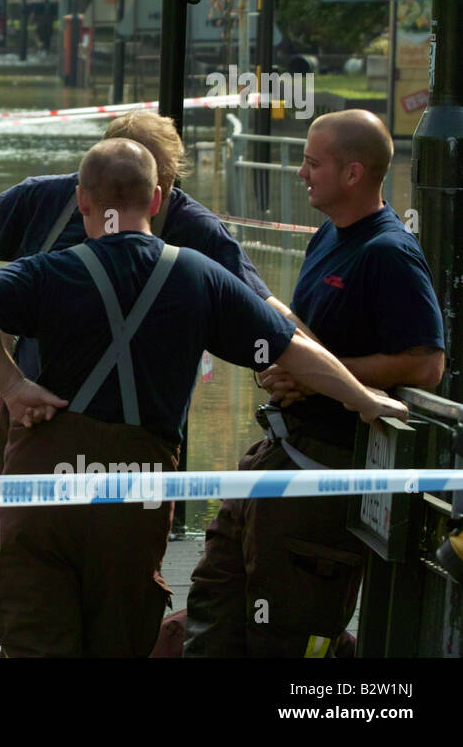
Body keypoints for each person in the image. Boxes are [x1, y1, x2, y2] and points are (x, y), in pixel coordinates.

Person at [0, 138, 407, 657]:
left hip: (44, 492)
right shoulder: (197, 274)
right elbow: (292, 349)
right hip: (130, 495)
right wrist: (365, 399)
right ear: (159, 199)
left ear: (83, 202)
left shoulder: (48, 272)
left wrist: (12, 387)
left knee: (33, 637)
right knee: (119, 640)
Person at [185, 109, 444, 657]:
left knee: (291, 630)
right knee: (216, 596)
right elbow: (307, 342)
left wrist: (327, 375)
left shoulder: (389, 253)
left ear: (353, 174)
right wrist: (284, 370)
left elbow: (426, 365)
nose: (301, 172)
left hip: (327, 471)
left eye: (311, 162)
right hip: (279, 451)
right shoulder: (329, 233)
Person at [0, 110, 308, 474]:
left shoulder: (195, 228)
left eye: (144, 187)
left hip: (141, 426)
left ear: (164, 187)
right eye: (118, 186)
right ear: (94, 179)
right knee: (28, 531)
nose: (131, 201)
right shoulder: (46, 199)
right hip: (38, 410)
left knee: (123, 531)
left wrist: (315, 368)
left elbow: (267, 311)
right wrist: (7, 366)